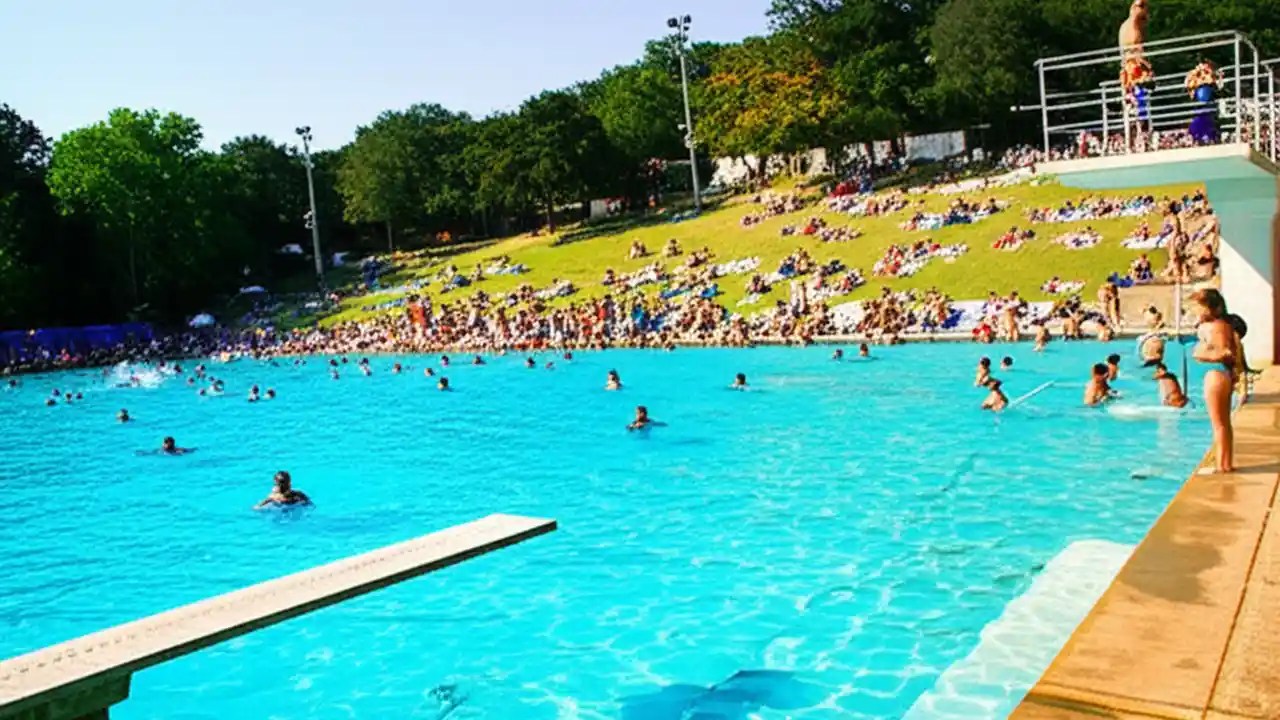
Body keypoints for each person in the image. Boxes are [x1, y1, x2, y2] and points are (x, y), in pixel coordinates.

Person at [1191, 288, 1243, 473]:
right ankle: (1224, 463)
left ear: (1210, 308)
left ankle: (1223, 465)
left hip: (1216, 374)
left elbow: (1225, 352)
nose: (1195, 311)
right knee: (1222, 423)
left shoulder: (1217, 326)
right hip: (1218, 374)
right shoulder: (1218, 325)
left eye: (1198, 307)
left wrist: (1201, 353)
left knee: (1219, 424)